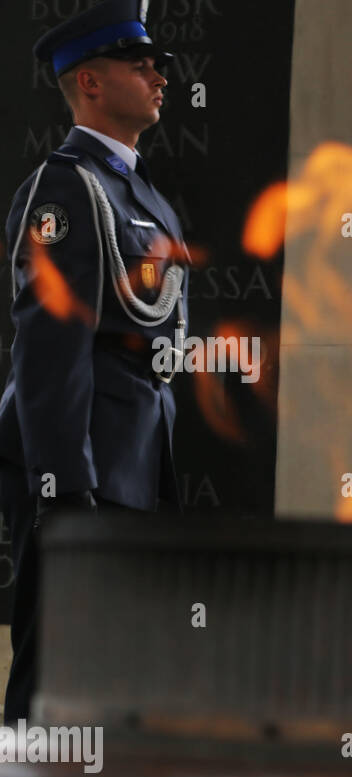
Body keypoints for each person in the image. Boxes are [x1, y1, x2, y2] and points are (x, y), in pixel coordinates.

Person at [0, 0, 188, 723]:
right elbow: (50, 349)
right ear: (90, 84)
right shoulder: (66, 189)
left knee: (114, 676)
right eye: (139, 63)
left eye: (161, 64)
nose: (159, 74)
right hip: (79, 473)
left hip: (129, 464)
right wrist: (63, 490)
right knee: (56, 672)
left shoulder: (143, 196)